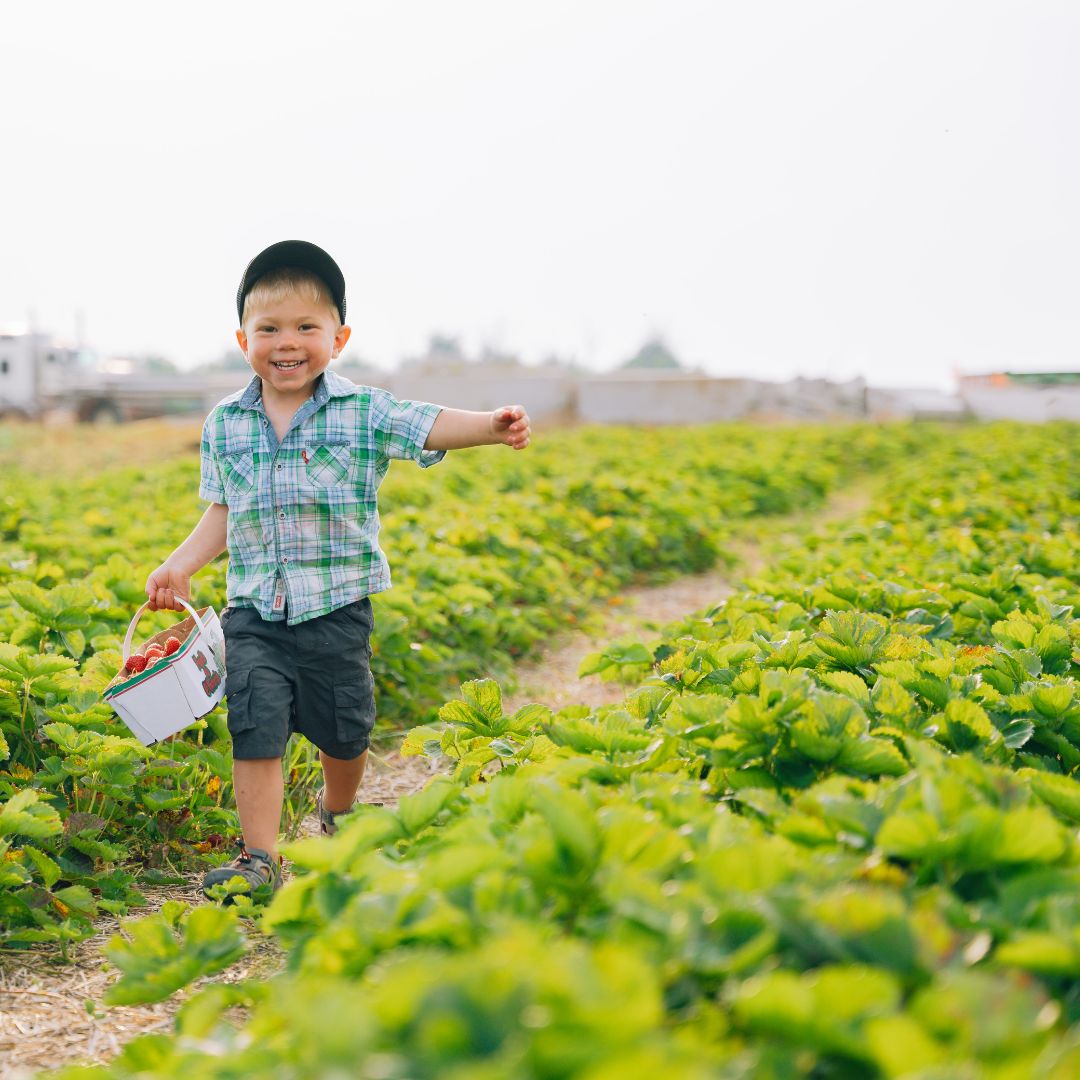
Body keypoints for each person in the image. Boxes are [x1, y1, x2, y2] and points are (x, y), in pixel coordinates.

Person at [145, 240, 531, 900]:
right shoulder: (226, 423)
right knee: (253, 723)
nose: (286, 343)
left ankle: (339, 813)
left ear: (338, 337)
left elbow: (426, 424)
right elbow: (222, 511)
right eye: (269, 329)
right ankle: (259, 857)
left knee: (345, 731)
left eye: (305, 327)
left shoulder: (362, 412)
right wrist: (180, 564)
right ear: (244, 340)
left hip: (338, 607)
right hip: (255, 612)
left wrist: (492, 426)